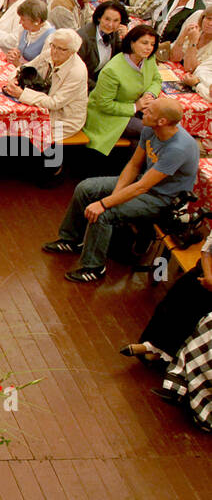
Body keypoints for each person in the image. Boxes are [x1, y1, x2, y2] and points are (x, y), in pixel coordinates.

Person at [45, 97, 200, 282]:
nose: (143, 112)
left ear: (162, 121)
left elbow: (143, 187)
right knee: (85, 188)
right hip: (143, 184)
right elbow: (134, 165)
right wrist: (117, 193)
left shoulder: (179, 148)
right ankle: (71, 239)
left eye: (149, 112)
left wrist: (105, 203)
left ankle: (94, 268)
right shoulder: (150, 130)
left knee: (103, 214)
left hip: (163, 199)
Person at [123, 233, 212, 364]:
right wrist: (209, 277)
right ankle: (152, 346)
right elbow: (207, 250)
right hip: (205, 274)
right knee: (175, 298)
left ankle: (160, 353)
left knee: (193, 311)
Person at [84, 24, 163, 157]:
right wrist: (136, 106)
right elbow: (104, 105)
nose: (149, 47)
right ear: (132, 43)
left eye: (152, 44)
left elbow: (156, 80)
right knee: (151, 130)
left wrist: (149, 95)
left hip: (137, 109)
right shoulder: (112, 70)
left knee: (158, 127)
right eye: (144, 43)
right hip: (109, 116)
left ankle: (136, 169)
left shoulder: (149, 59)